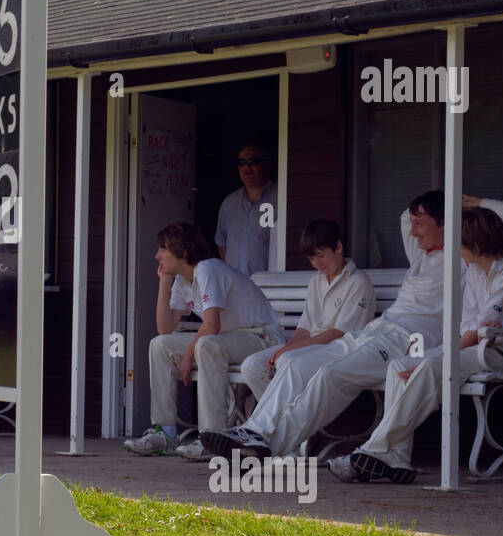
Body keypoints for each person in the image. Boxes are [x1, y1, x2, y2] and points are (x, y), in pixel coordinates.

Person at [200, 193, 503, 460]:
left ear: (446, 223)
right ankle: (255, 431)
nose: (411, 231)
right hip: (375, 331)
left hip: (408, 341)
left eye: (420, 224)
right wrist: (431, 211)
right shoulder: (422, 253)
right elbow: (403, 217)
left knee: (330, 374)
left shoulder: (463, 258)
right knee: (296, 363)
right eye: (413, 224)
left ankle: (271, 445)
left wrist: (462, 202)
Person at [329, 206, 503, 484]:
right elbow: (469, 328)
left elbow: (482, 331)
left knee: (429, 365)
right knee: (399, 366)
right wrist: (447, 348)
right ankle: (396, 456)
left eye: (459, 243)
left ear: (476, 244)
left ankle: (372, 449)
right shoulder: (475, 273)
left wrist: (442, 352)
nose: (454, 249)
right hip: (480, 349)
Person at [123, 221, 283, 461]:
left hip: (260, 337)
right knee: (160, 344)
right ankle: (165, 433)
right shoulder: (181, 280)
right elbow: (165, 328)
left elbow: (212, 325)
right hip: (228, 338)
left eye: (163, 249)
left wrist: (188, 355)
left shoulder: (208, 268)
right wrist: (164, 283)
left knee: (206, 345)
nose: (157, 255)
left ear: (183, 252)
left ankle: (211, 436)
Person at [238, 219, 376, 403]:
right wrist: (285, 348)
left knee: (288, 361)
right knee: (252, 365)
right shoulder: (316, 282)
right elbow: (305, 327)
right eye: (311, 259)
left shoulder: (358, 282)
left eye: (320, 256)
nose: (317, 263)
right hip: (309, 347)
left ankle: (279, 424)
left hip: (338, 350)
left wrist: (290, 351)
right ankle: (281, 421)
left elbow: (339, 333)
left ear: (338, 247)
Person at [215, 142, 278, 276]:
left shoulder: (281, 199)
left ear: (267, 164)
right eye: (241, 162)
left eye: (253, 161)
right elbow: (221, 243)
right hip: (236, 286)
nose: (247, 168)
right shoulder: (229, 203)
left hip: (269, 286)